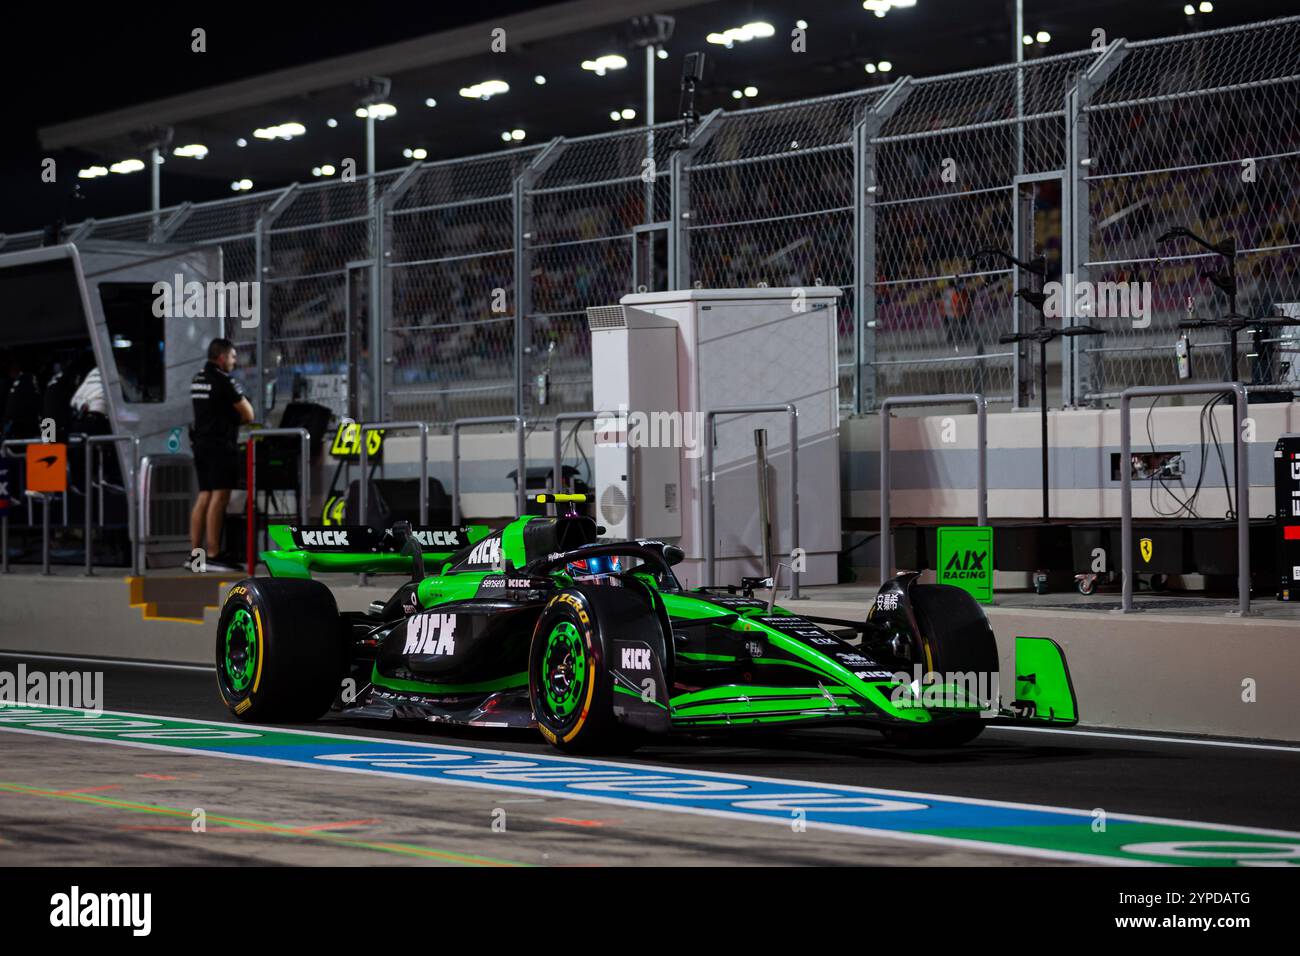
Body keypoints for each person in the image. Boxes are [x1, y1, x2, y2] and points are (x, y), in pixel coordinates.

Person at [190, 339, 254, 569]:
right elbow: (249, 414)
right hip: (220, 445)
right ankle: (215, 554)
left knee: (204, 495)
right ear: (222, 357)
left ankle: (196, 556)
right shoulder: (223, 380)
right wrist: (234, 419)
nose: (235, 362)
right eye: (233, 357)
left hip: (199, 443)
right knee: (219, 496)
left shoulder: (197, 378)